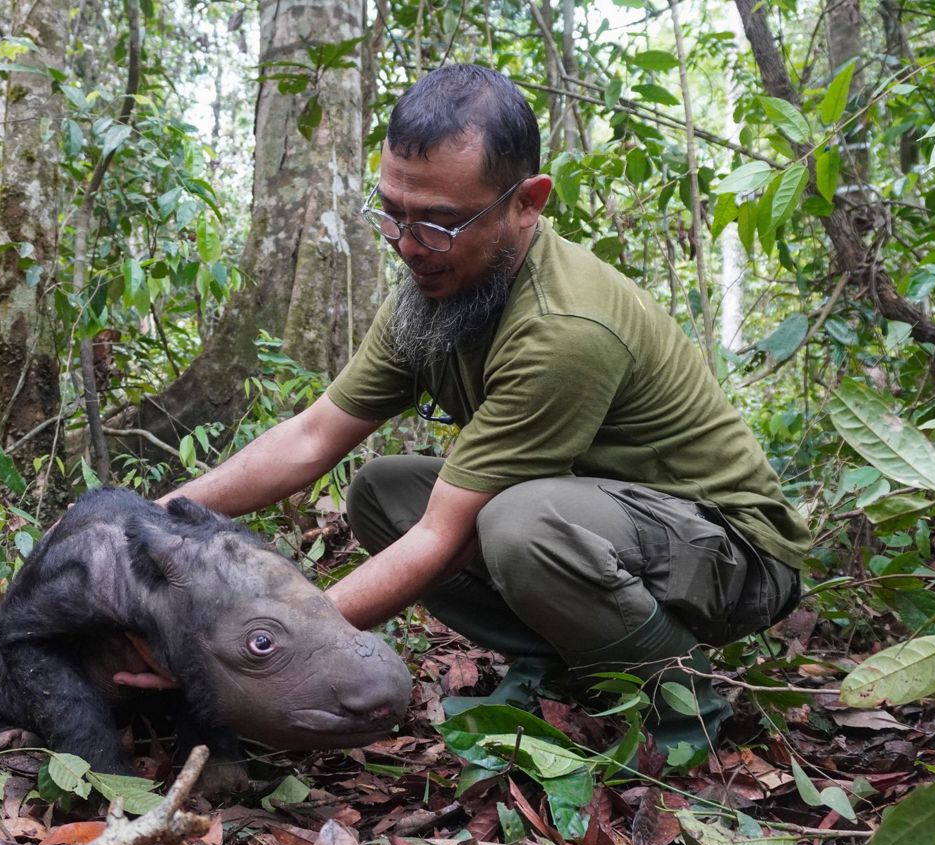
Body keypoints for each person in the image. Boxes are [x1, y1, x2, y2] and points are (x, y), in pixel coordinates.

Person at [120, 64, 811, 754]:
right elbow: (310, 437)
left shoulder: (564, 329)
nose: (409, 245)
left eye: (440, 223)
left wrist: (255, 656)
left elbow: (441, 538)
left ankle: (682, 703)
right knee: (382, 492)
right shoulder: (434, 288)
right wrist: (139, 524)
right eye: (392, 212)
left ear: (527, 202)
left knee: (519, 523)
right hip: (605, 524)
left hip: (733, 554)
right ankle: (563, 662)